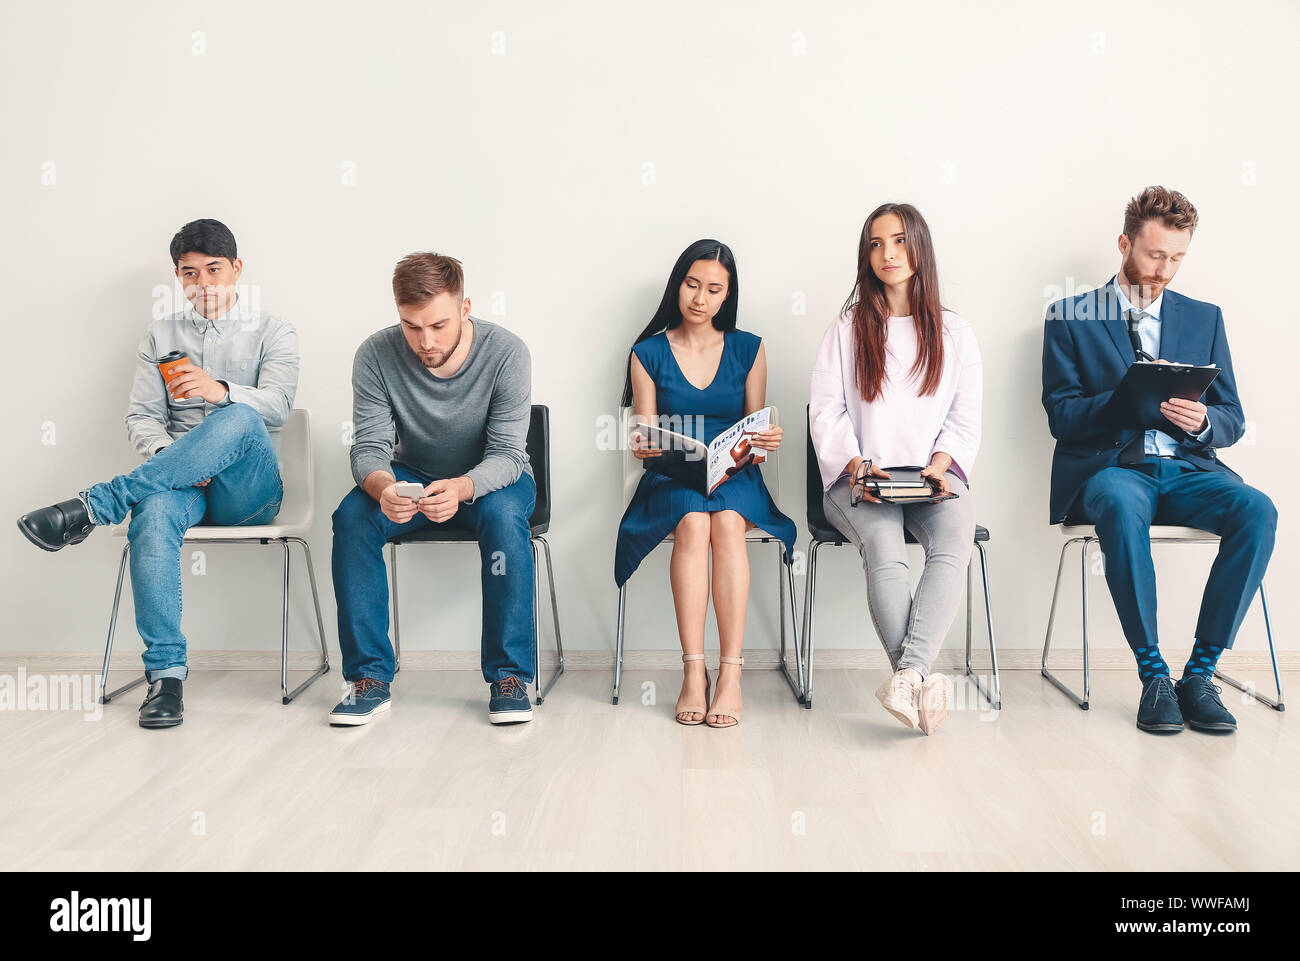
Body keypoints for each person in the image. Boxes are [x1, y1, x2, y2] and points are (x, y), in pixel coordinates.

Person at [17, 219, 299, 729]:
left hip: (248, 490)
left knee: (238, 416)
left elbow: (277, 407)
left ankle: (95, 505)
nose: (204, 284)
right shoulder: (160, 334)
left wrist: (218, 391)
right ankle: (166, 677)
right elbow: (141, 418)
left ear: (237, 269)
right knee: (150, 512)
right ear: (178, 277)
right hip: (179, 483)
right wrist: (177, 457)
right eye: (190, 274)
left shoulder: (274, 331)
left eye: (214, 270)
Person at [1041, 186, 1276, 735]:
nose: (1165, 269)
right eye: (1154, 254)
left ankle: (1200, 674)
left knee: (1257, 511)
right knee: (1121, 504)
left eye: (1177, 257)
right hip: (1113, 471)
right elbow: (1061, 416)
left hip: (1190, 470)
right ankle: (1153, 677)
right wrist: (1125, 401)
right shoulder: (1070, 315)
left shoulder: (1205, 318)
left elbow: (1232, 416)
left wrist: (1205, 423)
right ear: (1125, 243)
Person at [329, 252, 536, 726]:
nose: (425, 341)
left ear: (465, 308)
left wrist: (464, 488)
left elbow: (508, 453)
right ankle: (368, 679)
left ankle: (509, 678)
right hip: (413, 480)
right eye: (412, 326)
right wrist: (384, 488)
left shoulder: (507, 352)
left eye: (439, 326)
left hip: (492, 480)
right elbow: (369, 449)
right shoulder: (375, 355)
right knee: (352, 518)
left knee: (504, 521)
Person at [809, 203, 982, 736]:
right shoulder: (847, 328)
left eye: (899, 241)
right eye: (876, 244)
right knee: (885, 550)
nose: (888, 253)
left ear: (920, 248)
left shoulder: (954, 332)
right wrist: (858, 464)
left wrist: (940, 465)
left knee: (955, 539)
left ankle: (908, 676)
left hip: (929, 477)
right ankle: (921, 679)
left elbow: (964, 416)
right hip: (859, 478)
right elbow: (826, 409)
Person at [614, 239, 796, 728]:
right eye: (692, 285)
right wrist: (641, 445)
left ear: (727, 295)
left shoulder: (748, 348)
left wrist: (765, 436)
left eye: (713, 289)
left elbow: (754, 426)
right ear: (678, 284)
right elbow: (645, 430)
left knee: (729, 524)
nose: (700, 298)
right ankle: (694, 672)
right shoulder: (647, 351)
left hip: (735, 472)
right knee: (694, 522)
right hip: (674, 474)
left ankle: (731, 674)